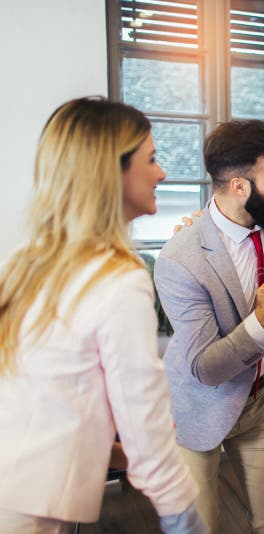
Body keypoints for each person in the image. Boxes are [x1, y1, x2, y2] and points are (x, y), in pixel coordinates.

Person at [0, 97, 204, 533]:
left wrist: (110, 451)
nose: (162, 173)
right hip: (27, 506)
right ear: (112, 172)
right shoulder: (118, 279)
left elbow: (44, 394)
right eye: (151, 159)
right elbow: (143, 416)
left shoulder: (28, 261)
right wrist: (183, 517)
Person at [154, 120, 264, 534]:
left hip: (262, 401)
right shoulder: (180, 260)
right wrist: (263, 320)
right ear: (239, 187)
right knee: (197, 529)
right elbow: (206, 367)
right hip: (199, 406)